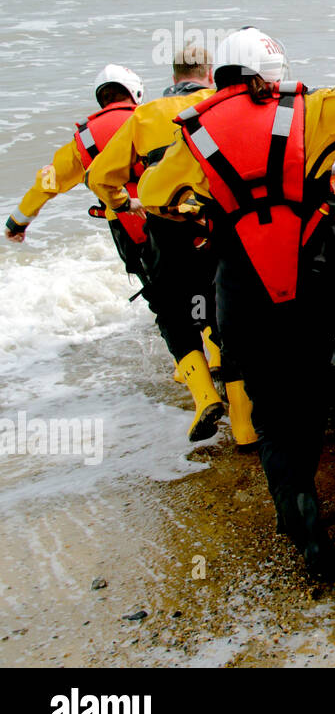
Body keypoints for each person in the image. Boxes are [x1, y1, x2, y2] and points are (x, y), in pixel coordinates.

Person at [138, 27, 335, 580]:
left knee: (272, 411)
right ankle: (307, 523)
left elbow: (154, 198)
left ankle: (301, 523)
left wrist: (205, 216)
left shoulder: (193, 132)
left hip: (242, 289)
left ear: (222, 77)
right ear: (268, 77)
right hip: (312, 278)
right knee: (307, 396)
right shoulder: (313, 108)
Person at [86, 43, 232, 445]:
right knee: (225, 308)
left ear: (171, 78)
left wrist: (122, 203)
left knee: (171, 312)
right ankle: (248, 427)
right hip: (216, 221)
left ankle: (205, 400)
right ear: (209, 73)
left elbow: (99, 177)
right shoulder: (220, 102)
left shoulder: (145, 114)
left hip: (166, 226)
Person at [5, 66, 147, 251]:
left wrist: (17, 222)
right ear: (136, 91)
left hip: (126, 227)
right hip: (172, 214)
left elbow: (48, 181)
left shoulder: (85, 139)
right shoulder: (151, 120)